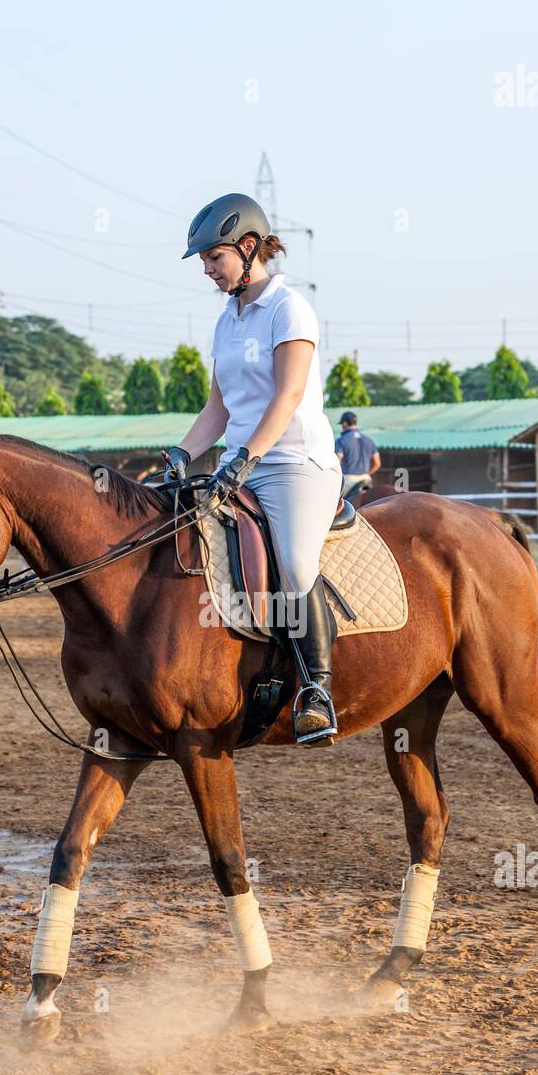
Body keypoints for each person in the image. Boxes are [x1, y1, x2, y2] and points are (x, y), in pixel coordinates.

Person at [163, 192, 342, 743]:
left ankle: (317, 689)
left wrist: (244, 458)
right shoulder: (227, 320)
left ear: (247, 247)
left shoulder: (290, 309)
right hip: (236, 464)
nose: (208, 270)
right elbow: (218, 409)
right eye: (203, 262)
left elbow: (287, 396)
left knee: (292, 559)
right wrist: (180, 454)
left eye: (214, 258)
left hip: (293, 463)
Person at [335, 410, 380, 499]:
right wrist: (367, 473)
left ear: (344, 423)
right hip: (366, 480)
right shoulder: (368, 440)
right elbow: (377, 463)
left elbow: (337, 461)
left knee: (333, 504)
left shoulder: (341, 440)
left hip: (349, 480)